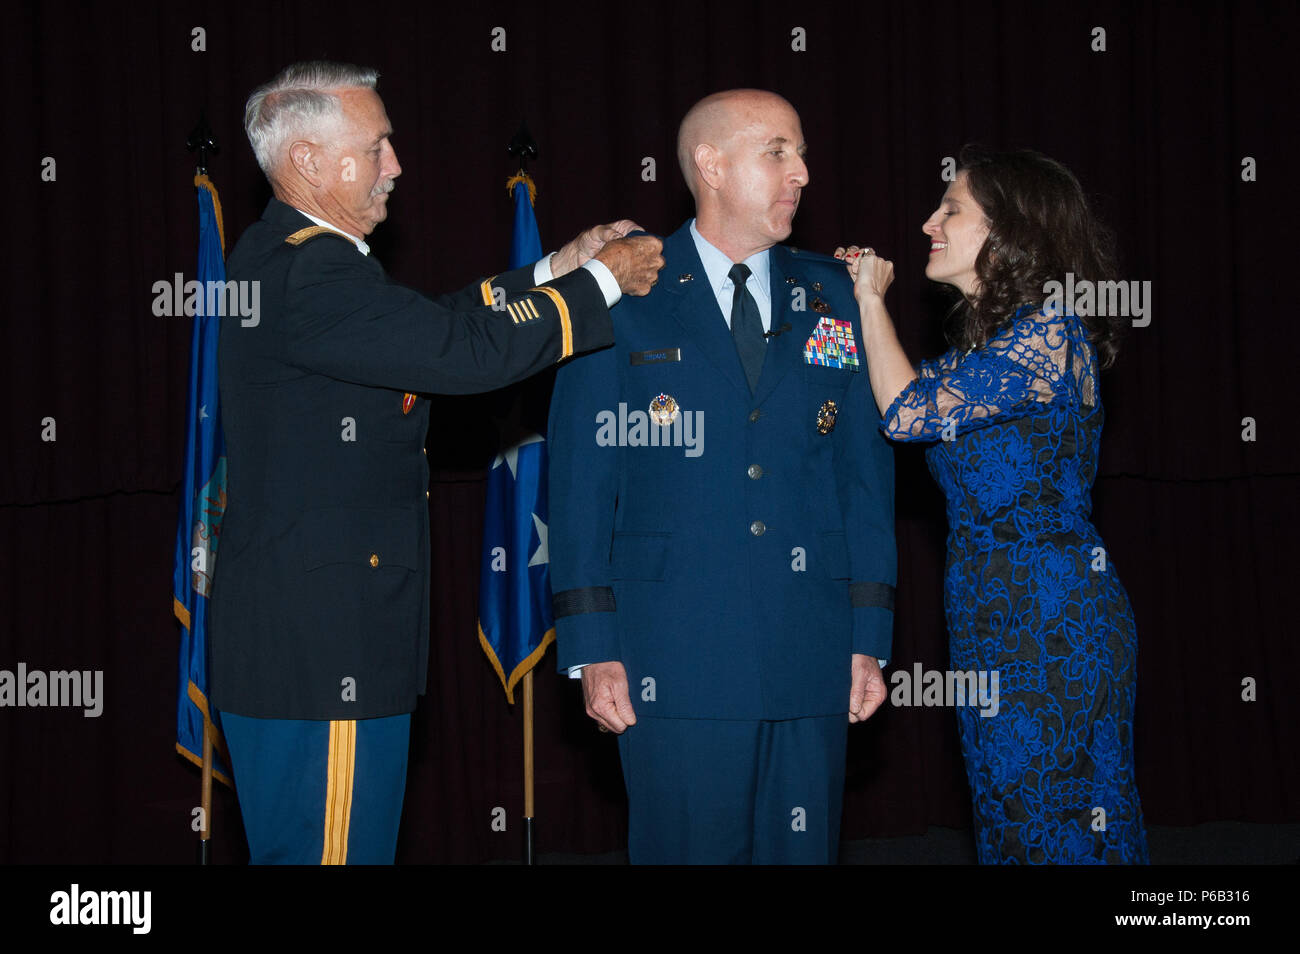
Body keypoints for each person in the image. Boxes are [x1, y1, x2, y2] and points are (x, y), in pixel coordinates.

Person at [209, 60, 663, 864]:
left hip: (312, 651)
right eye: (378, 146)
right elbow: (463, 354)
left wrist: (556, 269)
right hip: (326, 660)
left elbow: (435, 324)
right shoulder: (309, 268)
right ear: (310, 161)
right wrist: (600, 284)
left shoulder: (287, 257)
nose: (397, 165)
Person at [548, 89, 897, 864]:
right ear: (710, 165)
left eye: (801, 152)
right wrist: (591, 642)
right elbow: (579, 483)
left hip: (812, 650)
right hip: (670, 658)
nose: (801, 172)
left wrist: (868, 632)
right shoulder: (621, 293)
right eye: (778, 151)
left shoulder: (834, 296)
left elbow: (863, 474)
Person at [838, 145, 1149, 863]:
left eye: (951, 209)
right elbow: (898, 392)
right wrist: (843, 297)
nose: (928, 223)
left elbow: (908, 414)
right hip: (990, 616)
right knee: (1012, 822)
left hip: (1054, 620)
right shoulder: (986, 355)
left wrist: (868, 298)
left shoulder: (1051, 331)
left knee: (1058, 824)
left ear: (1012, 231)